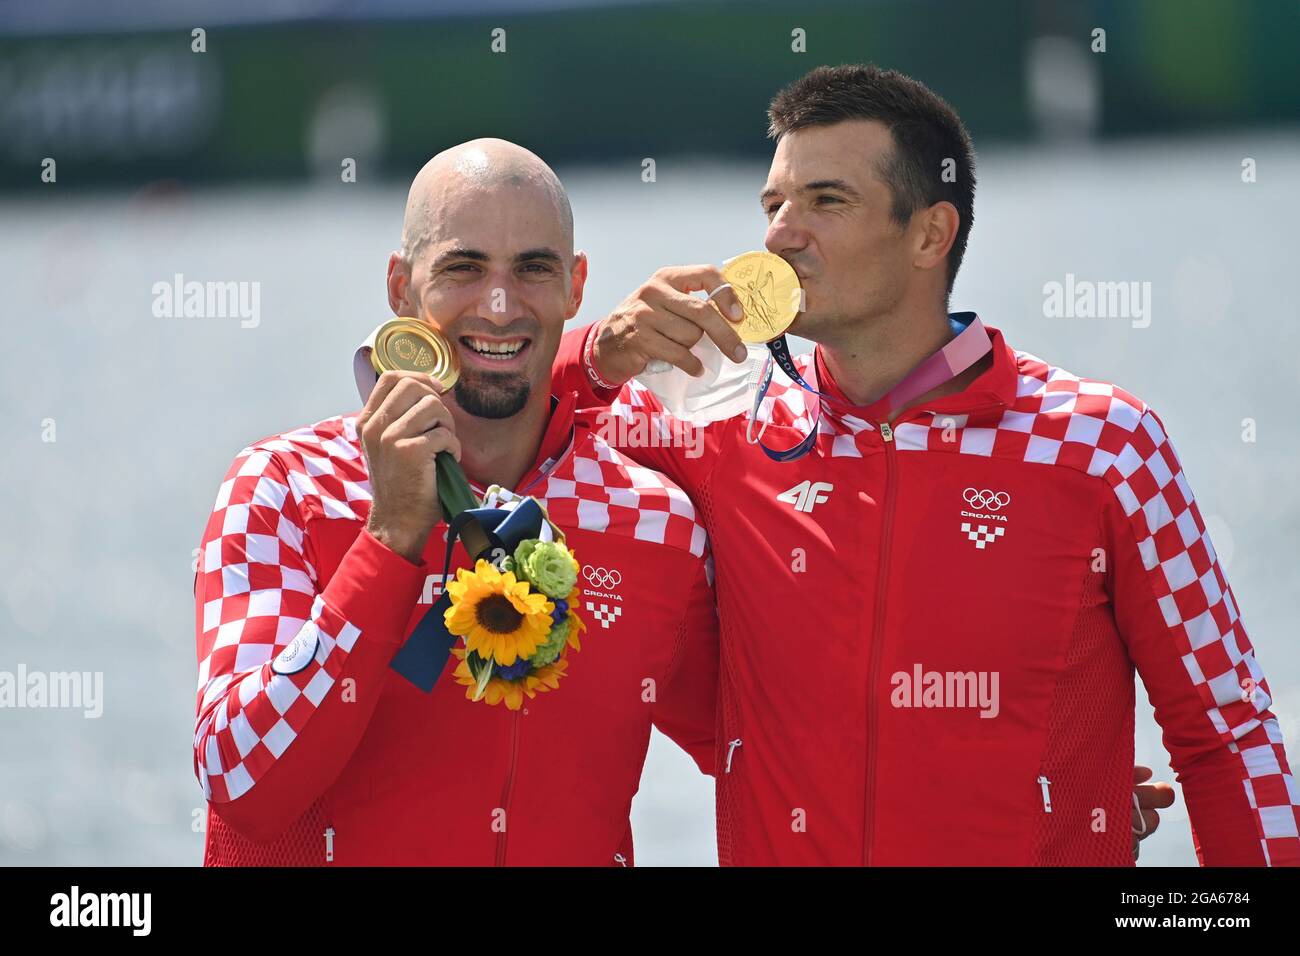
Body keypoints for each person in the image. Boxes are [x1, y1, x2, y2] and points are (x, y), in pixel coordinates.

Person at [555, 64, 1296, 865]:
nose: (778, 235)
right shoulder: (712, 428)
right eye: (774, 206)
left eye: (825, 201)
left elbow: (1228, 736)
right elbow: (501, 432)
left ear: (930, 234)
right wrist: (600, 354)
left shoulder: (1104, 444)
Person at [191, 139, 718, 865]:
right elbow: (243, 784)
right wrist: (389, 541)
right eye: (464, 268)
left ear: (576, 285)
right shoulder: (283, 487)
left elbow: (773, 754)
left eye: (533, 268)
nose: (499, 306)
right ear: (401, 288)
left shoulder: (656, 524)